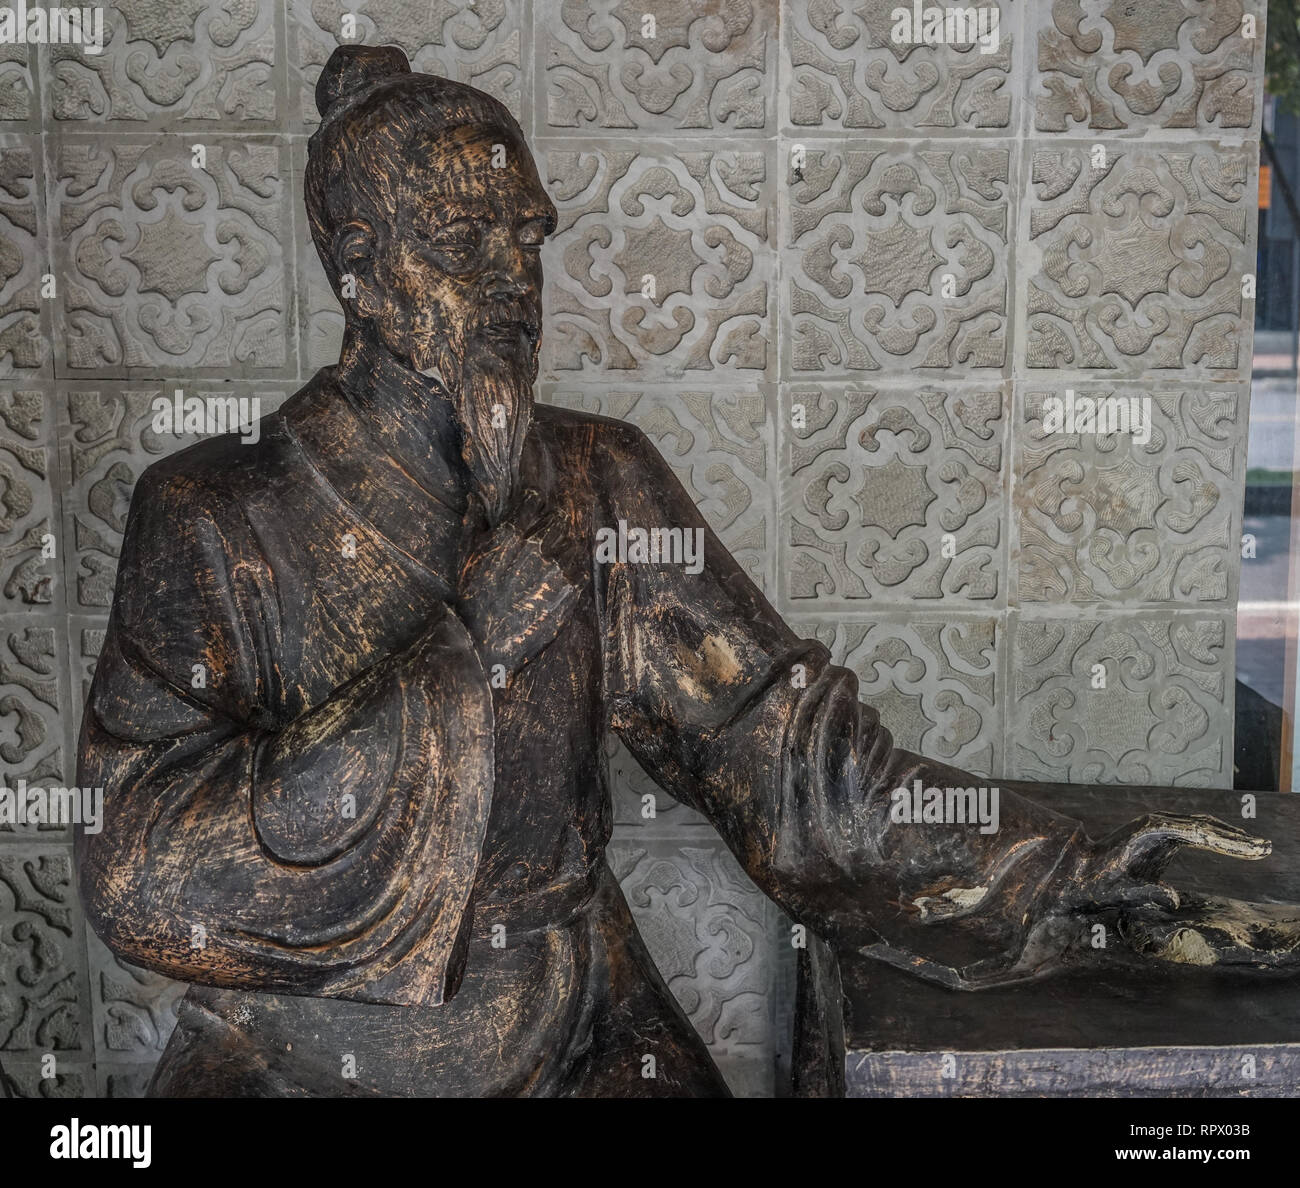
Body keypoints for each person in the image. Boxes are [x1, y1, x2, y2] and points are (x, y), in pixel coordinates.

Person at [75, 45, 1295, 1098]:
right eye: (461, 240)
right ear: (358, 264)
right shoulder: (211, 512)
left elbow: (789, 765)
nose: (512, 278)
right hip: (302, 1054)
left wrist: (1050, 865)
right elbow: (136, 873)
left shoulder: (598, 479)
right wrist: (460, 664)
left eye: (527, 237)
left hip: (575, 1023)